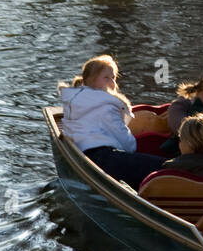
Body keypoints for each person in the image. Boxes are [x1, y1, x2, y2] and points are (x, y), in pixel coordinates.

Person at [58, 55, 168, 189]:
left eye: (114, 78)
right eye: (106, 78)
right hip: (104, 158)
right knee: (163, 166)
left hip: (85, 154)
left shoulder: (78, 101)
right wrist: (134, 145)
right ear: (91, 81)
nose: (112, 83)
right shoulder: (106, 105)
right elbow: (126, 141)